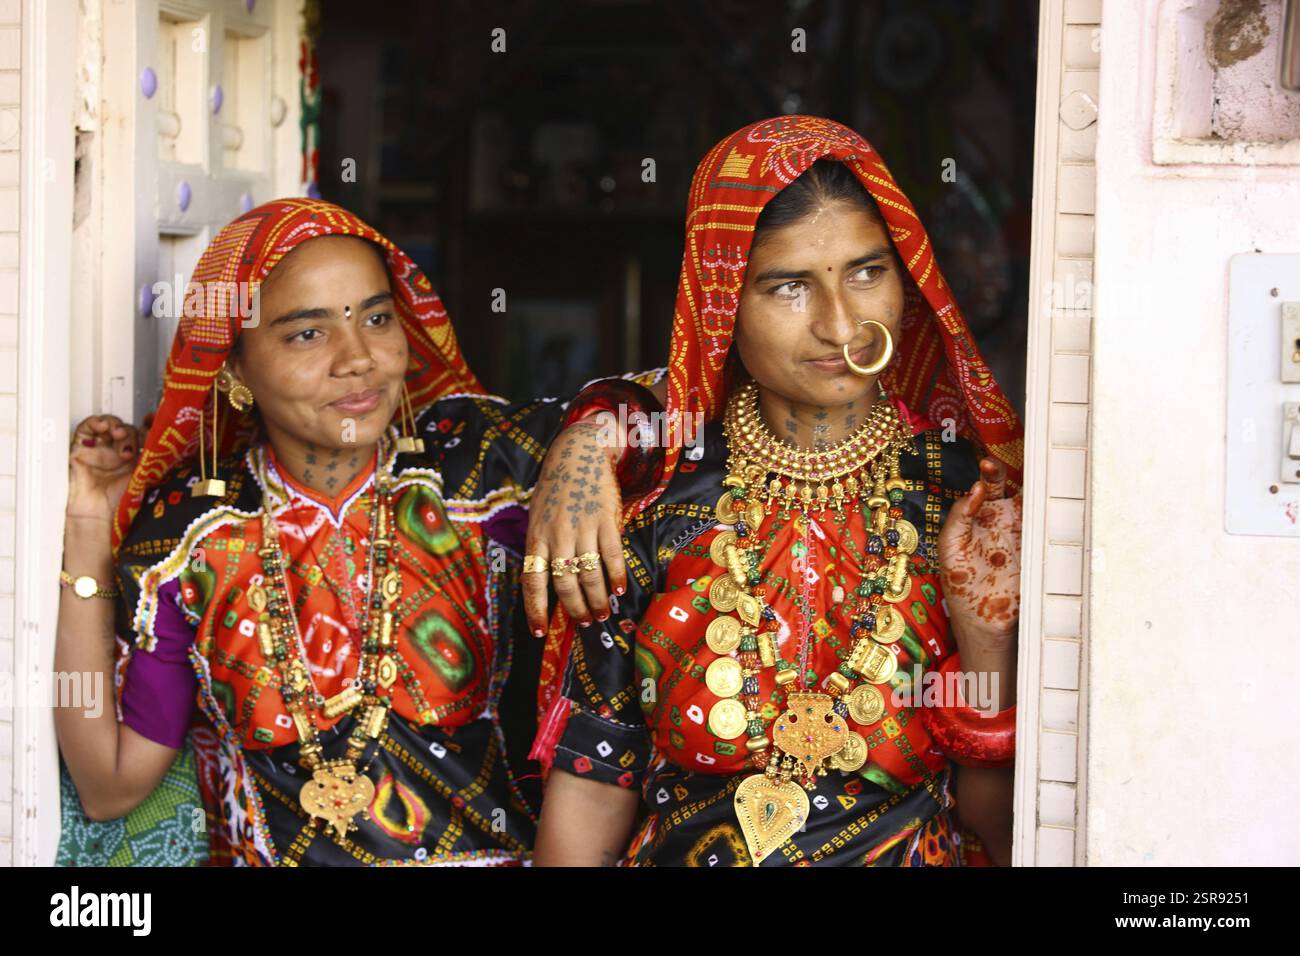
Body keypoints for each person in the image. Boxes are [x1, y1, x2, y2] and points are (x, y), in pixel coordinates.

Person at [54, 198, 656, 866]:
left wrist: (582, 444)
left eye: (375, 318)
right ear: (235, 371)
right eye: (307, 334)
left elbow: (669, 407)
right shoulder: (189, 537)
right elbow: (108, 785)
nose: (359, 358)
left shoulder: (479, 472)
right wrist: (86, 530)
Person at [526, 116, 1024, 867]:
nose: (841, 324)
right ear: (722, 300)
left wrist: (987, 640)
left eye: (867, 272)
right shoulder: (654, 499)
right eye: (789, 286)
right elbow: (595, 786)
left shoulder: (965, 498)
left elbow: (1006, 826)